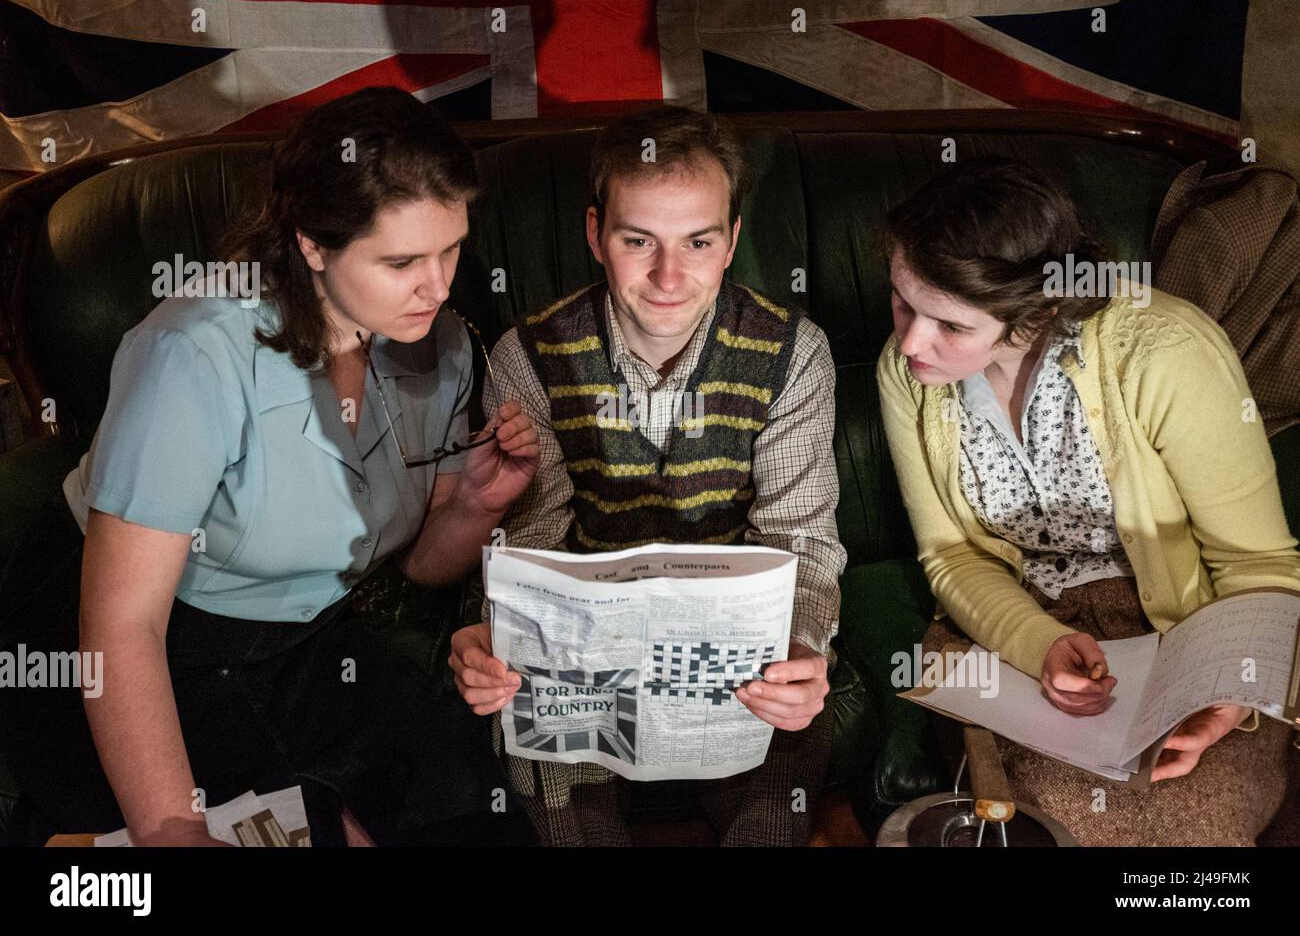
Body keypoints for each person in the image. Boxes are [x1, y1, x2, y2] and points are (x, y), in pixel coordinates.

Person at [5, 87, 539, 846]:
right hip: (138, 638)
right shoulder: (193, 351)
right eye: (402, 260)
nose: (441, 284)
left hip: (302, 637)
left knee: (463, 805)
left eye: (451, 246)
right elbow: (123, 624)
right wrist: (172, 834)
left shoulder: (443, 342)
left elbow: (421, 564)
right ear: (313, 244)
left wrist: (475, 506)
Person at [448, 106, 848, 846]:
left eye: (697, 241)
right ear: (597, 235)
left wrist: (800, 649)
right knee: (565, 817)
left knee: (772, 817)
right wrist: (494, 633)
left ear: (731, 241)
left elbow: (802, 539)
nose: (669, 276)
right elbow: (528, 540)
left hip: (738, 653)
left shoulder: (794, 353)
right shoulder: (528, 356)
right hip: (583, 656)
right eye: (640, 241)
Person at [876, 155, 1300, 845]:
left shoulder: (1163, 349)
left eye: (950, 325)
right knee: (1040, 815)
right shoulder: (907, 373)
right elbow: (951, 554)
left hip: (1188, 630)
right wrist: (1039, 642)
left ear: (1036, 308)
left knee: (1203, 820)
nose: (910, 342)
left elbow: (1260, 564)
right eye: (901, 301)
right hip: (1013, 625)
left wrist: (1224, 701)